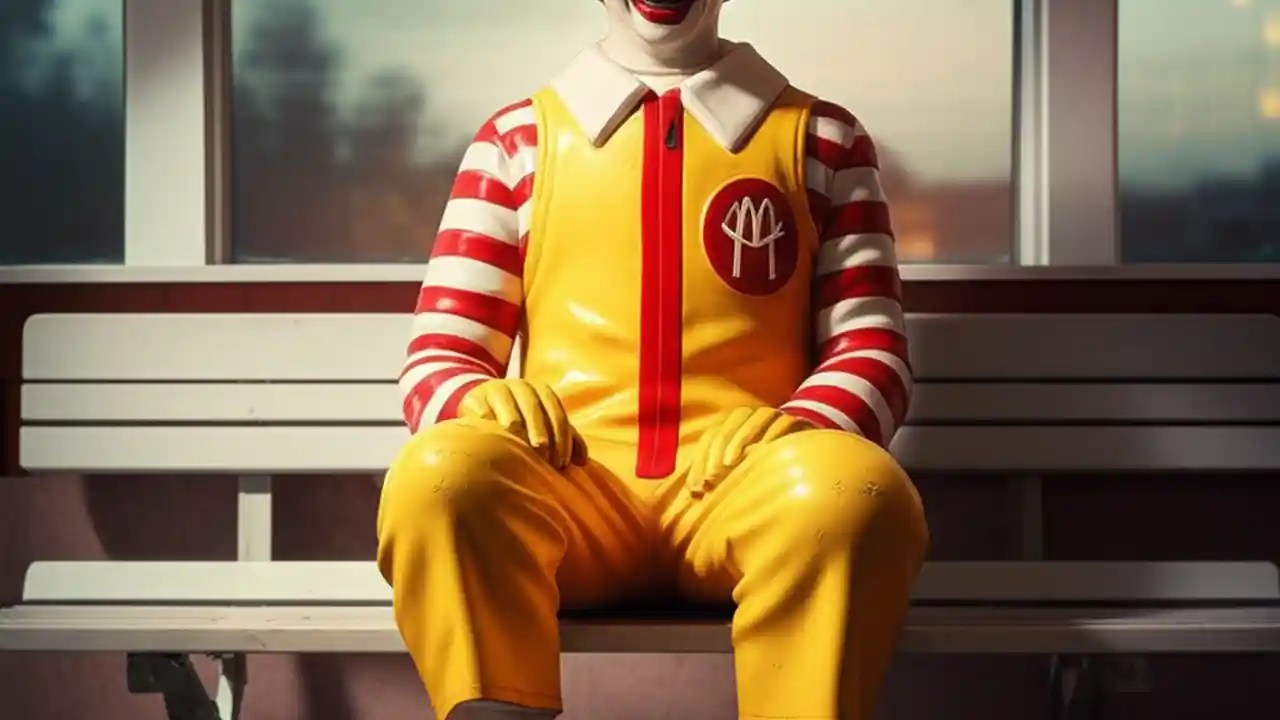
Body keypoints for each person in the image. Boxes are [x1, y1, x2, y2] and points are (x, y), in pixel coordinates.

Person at [375, 1, 929, 718]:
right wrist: (475, 401)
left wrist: (802, 423)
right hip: (565, 491)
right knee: (436, 479)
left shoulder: (823, 140)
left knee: (859, 493)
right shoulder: (517, 141)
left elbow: (871, 345)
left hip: (747, 495)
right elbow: (440, 353)